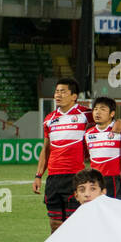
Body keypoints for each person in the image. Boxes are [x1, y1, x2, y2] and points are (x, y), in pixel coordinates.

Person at [34, 77, 93, 233]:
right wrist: (38, 175)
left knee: (74, 223)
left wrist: (119, 122)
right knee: (54, 224)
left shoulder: (87, 115)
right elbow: (46, 149)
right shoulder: (49, 119)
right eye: (56, 92)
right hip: (53, 178)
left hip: (76, 177)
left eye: (63, 92)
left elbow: (106, 123)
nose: (58, 95)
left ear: (74, 96)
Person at [82, 95, 121, 200]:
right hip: (94, 181)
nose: (97, 112)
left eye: (103, 109)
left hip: (113, 180)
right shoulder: (88, 133)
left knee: (114, 214)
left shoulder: (120, 130)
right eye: (95, 109)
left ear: (112, 113)